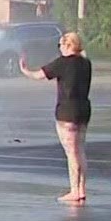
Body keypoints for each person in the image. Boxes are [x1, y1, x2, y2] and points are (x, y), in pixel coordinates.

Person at [20, 31, 92, 205]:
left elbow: (39, 75)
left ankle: (74, 190)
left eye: (60, 45)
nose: (59, 48)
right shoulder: (86, 63)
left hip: (67, 112)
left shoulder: (63, 63)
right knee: (80, 150)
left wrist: (25, 70)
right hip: (83, 110)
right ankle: (81, 189)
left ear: (68, 45)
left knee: (71, 153)